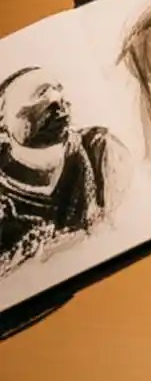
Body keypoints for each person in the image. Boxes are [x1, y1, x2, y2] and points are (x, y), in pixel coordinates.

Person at [0, 67, 123, 263]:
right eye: (40, 96)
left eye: (57, 89)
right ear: (2, 129)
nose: (56, 99)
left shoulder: (101, 150)